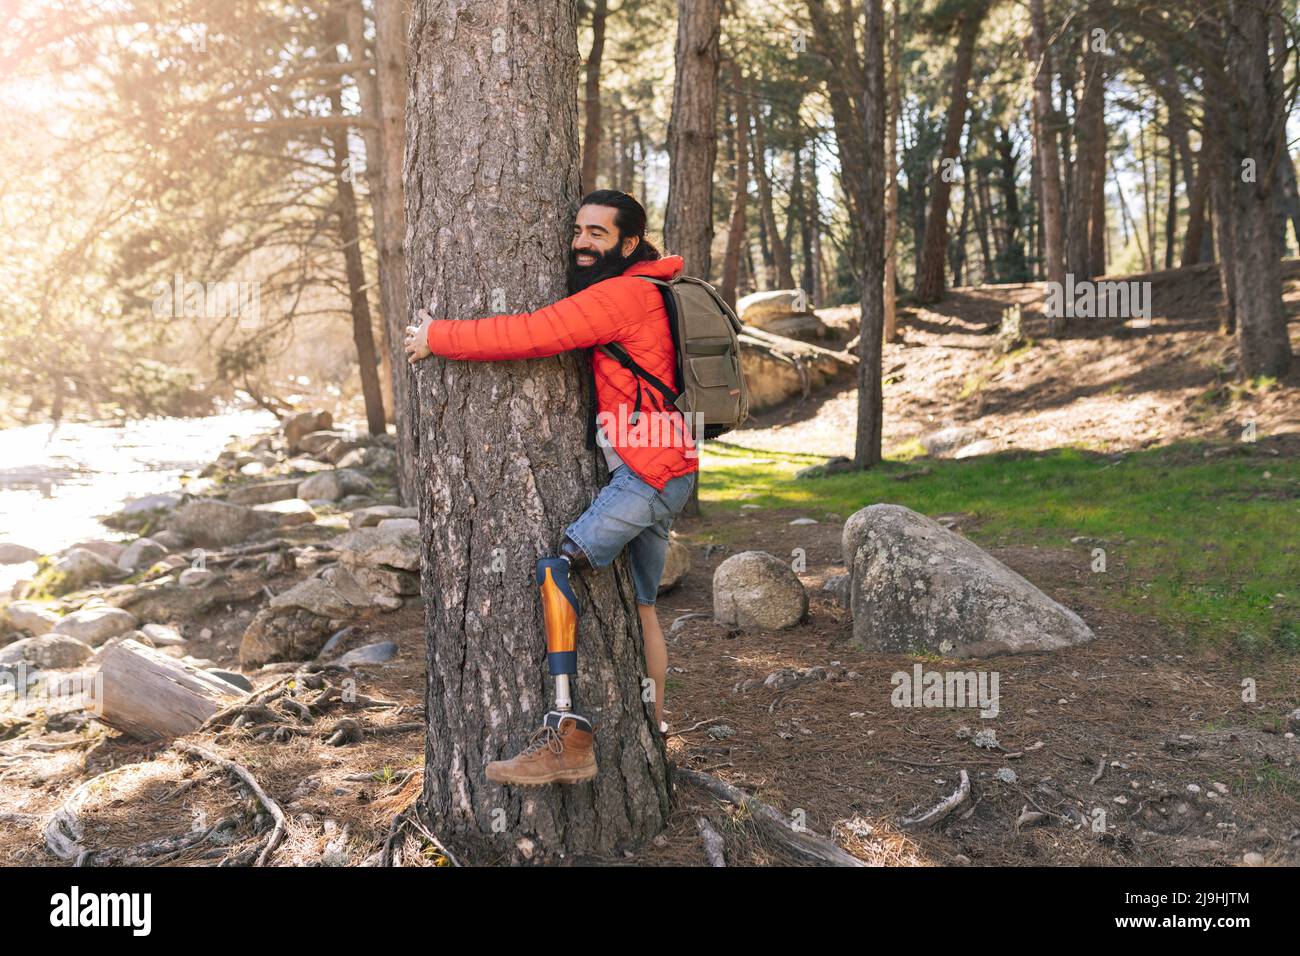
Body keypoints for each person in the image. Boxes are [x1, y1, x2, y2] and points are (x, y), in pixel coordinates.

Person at [404, 189, 697, 787]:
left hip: (648, 472)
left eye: (598, 233)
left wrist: (439, 338)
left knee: (556, 566)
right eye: (579, 230)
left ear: (630, 243)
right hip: (670, 467)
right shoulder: (654, 288)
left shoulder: (621, 294)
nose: (582, 242)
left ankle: (568, 734)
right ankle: (655, 729)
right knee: (641, 606)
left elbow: (532, 333)